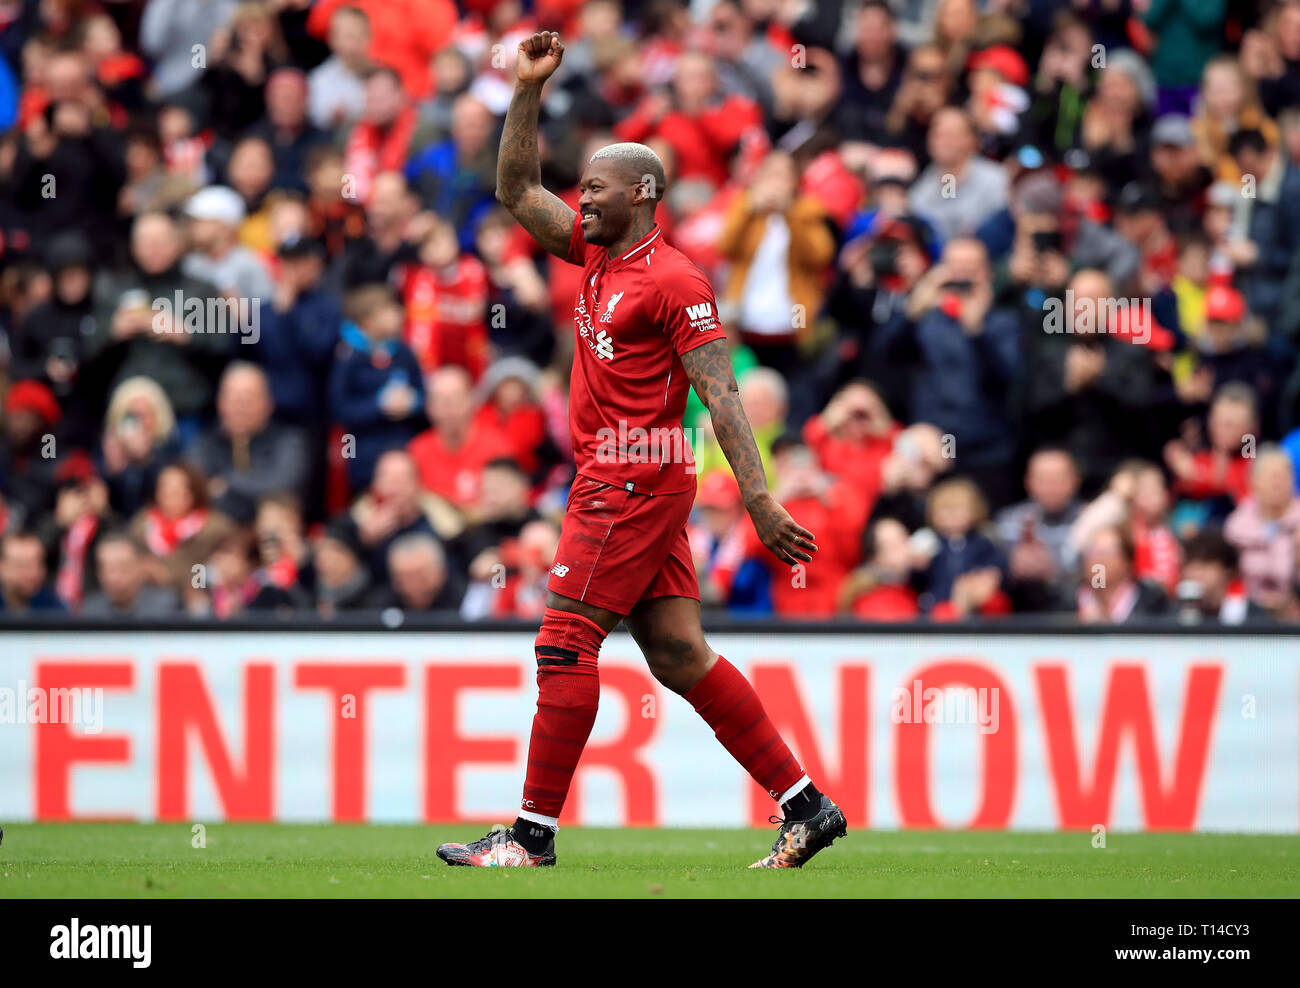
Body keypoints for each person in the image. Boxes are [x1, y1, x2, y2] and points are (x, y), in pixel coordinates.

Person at [435, 32, 845, 871]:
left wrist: (759, 496)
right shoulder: (594, 251)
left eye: (595, 187)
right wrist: (525, 87)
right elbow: (514, 186)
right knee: (677, 652)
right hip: (627, 475)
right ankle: (809, 808)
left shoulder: (675, 282)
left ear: (644, 193)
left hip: (633, 474)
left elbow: (722, 394)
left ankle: (530, 838)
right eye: (580, 185)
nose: (579, 198)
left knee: (562, 643)